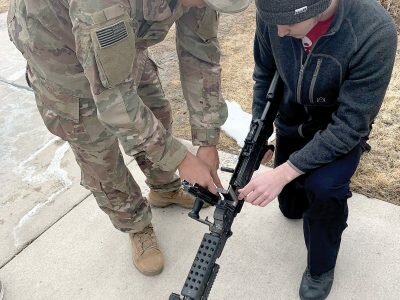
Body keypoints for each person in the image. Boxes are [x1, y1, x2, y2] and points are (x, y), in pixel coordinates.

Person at [7, 0, 251, 276]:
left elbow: (201, 55)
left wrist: (207, 140)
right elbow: (115, 103)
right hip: (58, 52)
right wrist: (182, 158)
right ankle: (135, 222)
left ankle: (164, 188)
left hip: (114, 33)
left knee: (154, 111)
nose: (204, 6)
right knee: (98, 153)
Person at [238, 0, 397, 299]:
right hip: (292, 119)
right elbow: (264, 74)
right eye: (273, 22)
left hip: (337, 127)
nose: (280, 32)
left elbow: (351, 124)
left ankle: (321, 267)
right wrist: (258, 136)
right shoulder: (275, 17)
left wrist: (284, 172)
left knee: (324, 190)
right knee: (290, 209)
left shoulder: (374, 30)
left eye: (287, 24)